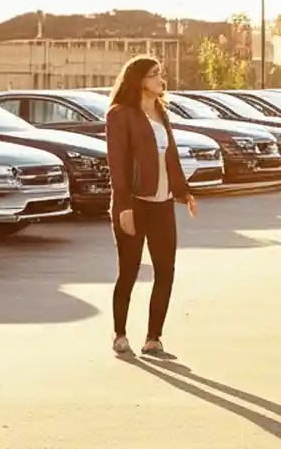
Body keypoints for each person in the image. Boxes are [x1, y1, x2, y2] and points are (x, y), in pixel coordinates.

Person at [105, 55, 197, 360]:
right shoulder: (120, 115)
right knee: (129, 271)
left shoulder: (161, 111)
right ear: (139, 80)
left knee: (165, 271)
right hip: (134, 204)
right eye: (155, 74)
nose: (162, 79)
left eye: (161, 74)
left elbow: (169, 158)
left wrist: (183, 192)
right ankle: (120, 334)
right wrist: (123, 207)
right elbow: (117, 166)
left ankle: (153, 338)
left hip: (162, 204)